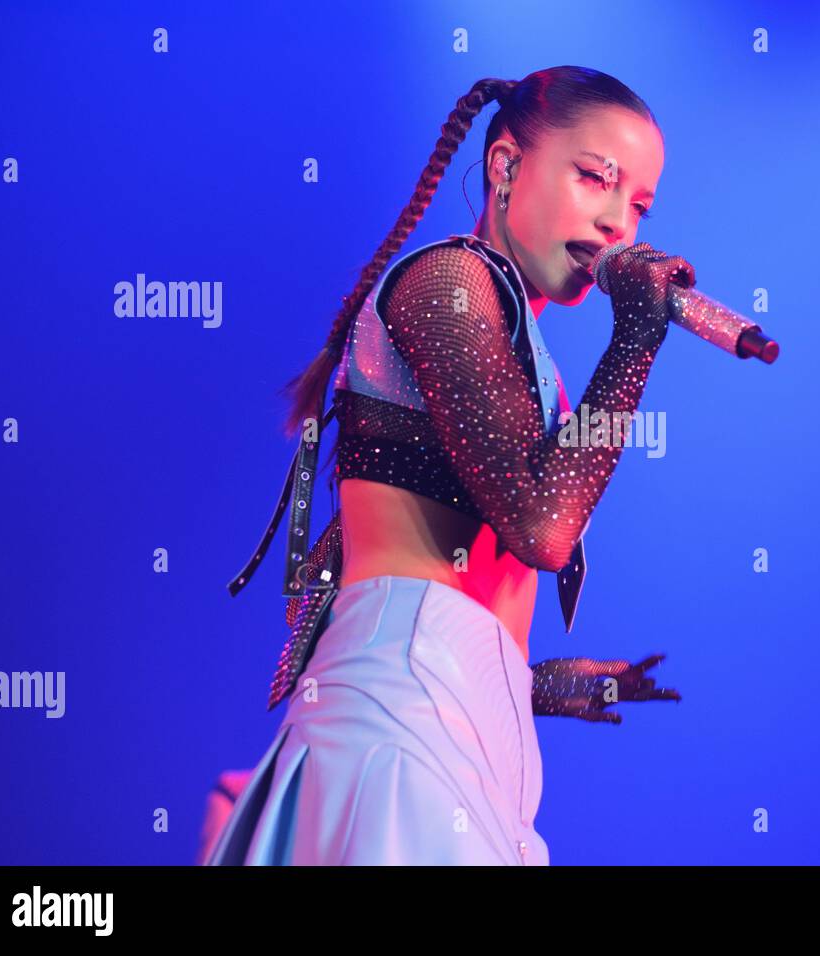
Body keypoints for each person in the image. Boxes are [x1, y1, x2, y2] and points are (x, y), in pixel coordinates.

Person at [202, 66, 692, 866]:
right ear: (504, 166)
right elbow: (542, 527)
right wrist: (635, 340)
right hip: (406, 729)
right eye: (597, 179)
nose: (616, 224)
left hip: (452, 723)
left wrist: (521, 682)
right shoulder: (450, 282)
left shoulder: (528, 356)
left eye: (637, 205)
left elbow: (370, 577)